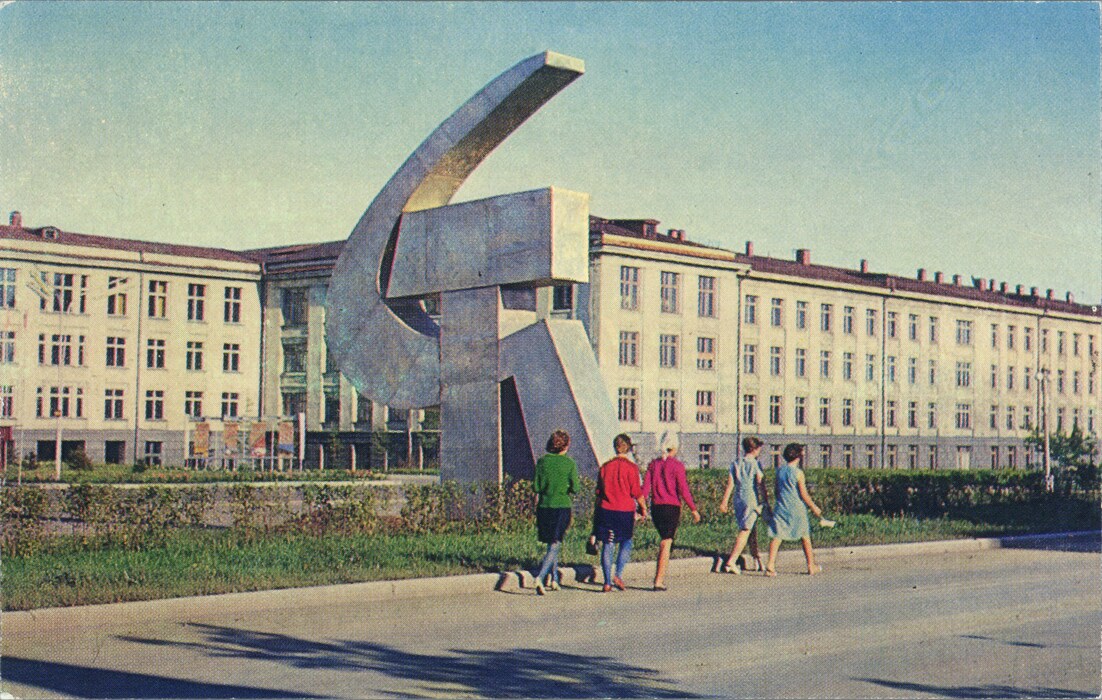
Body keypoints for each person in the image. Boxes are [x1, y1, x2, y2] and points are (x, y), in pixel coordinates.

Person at [642, 431, 700, 591]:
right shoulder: (677, 466)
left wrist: (641, 508)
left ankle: (659, 578)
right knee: (666, 542)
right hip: (671, 507)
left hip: (656, 507)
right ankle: (658, 580)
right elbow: (683, 489)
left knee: (664, 539)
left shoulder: (653, 464)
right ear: (674, 447)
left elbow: (645, 488)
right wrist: (694, 509)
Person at [594, 433, 647, 592]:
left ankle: (607, 582)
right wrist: (643, 508)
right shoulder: (632, 468)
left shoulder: (605, 467)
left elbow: (599, 492)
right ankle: (618, 574)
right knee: (626, 541)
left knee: (608, 544)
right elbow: (636, 492)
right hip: (625, 511)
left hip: (607, 510)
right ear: (628, 448)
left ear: (614, 447)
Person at [532, 429, 580, 595]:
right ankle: (540, 576)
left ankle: (554, 579)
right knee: (556, 542)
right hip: (561, 506)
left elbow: (536, 487)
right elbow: (576, 488)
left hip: (544, 506)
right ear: (566, 446)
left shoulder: (542, 462)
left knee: (551, 543)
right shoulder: (569, 463)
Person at [765, 443, 825, 577]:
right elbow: (804, 495)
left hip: (781, 507)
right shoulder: (798, 473)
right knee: (805, 536)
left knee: (777, 535)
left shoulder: (779, 471)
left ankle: (770, 564)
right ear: (798, 456)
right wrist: (814, 507)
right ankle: (811, 566)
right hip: (796, 508)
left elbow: (776, 491)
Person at [719, 436, 767, 574]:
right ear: (754, 449)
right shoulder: (755, 464)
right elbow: (760, 482)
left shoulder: (736, 463)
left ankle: (757, 559)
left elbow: (730, 484)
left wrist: (724, 502)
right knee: (745, 530)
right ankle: (731, 562)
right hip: (751, 499)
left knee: (751, 529)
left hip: (738, 497)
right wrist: (765, 500)